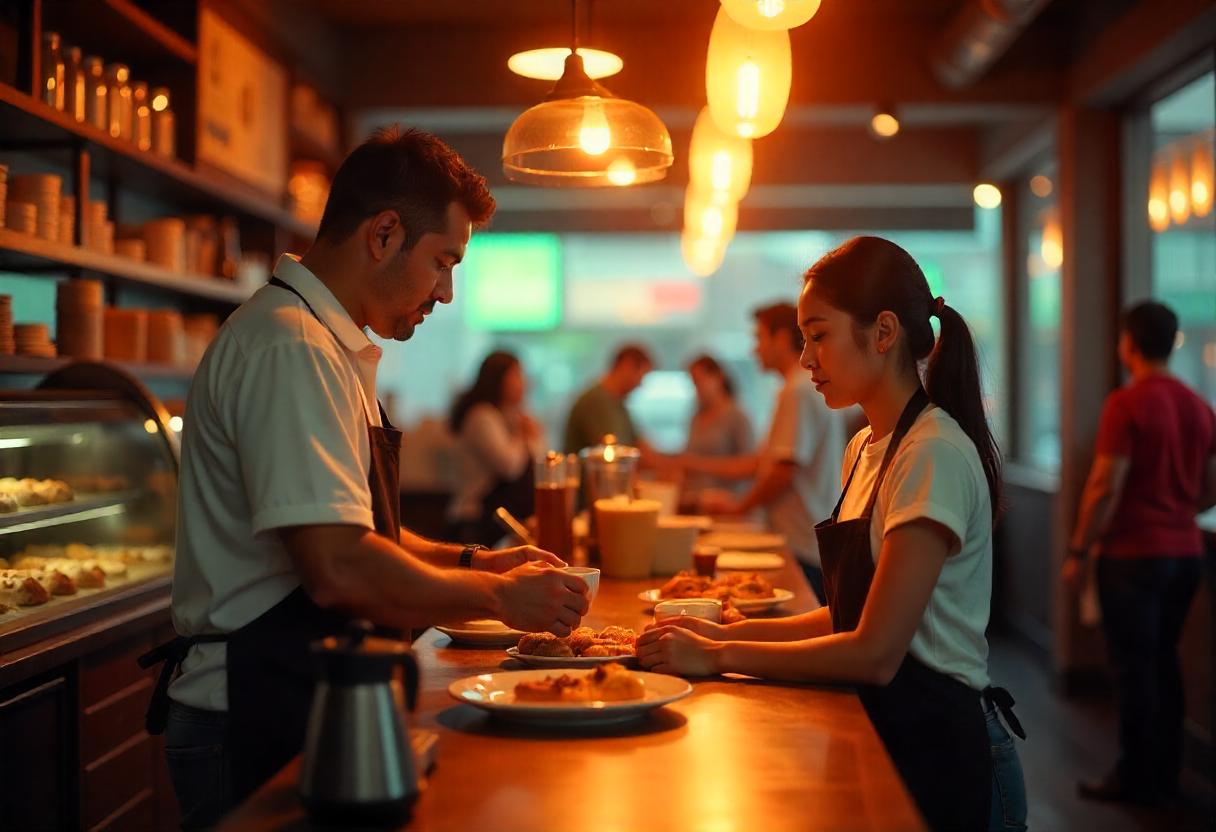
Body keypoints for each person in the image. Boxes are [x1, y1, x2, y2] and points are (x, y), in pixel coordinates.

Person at [143, 127, 589, 829]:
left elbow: (361, 529)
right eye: (443, 261)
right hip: (251, 711)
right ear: (383, 234)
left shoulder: (324, 342)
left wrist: (476, 559)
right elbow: (339, 567)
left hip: (294, 692)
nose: (445, 292)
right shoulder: (291, 347)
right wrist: (500, 596)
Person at [638, 237, 1027, 832]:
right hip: (890, 729)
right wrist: (732, 628)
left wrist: (718, 654)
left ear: (884, 332)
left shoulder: (933, 453)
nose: (805, 358)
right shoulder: (865, 448)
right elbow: (848, 615)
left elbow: (873, 652)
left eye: (818, 335)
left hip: (941, 750)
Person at [1066, 300, 1216, 806]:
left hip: (1132, 556)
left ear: (1129, 344)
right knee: (1166, 662)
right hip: (1186, 554)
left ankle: (1134, 778)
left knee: (1132, 669)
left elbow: (1106, 484)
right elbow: (1211, 486)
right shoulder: (1199, 405)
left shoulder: (1127, 404)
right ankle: (1168, 773)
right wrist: (1179, 508)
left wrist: (1080, 548)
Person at [674, 303, 847, 602]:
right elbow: (765, 463)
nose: (754, 350)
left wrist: (741, 507)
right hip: (805, 536)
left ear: (780, 339)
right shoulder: (796, 388)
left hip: (802, 539)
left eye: (759, 339)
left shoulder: (797, 390)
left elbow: (783, 470)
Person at [446, 351, 544, 546]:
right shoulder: (481, 416)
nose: (523, 383)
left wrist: (531, 436)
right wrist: (523, 435)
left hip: (500, 521)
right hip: (475, 521)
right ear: (499, 379)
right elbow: (509, 467)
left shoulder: (508, 416)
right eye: (516, 375)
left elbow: (538, 462)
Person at [681, 354, 753, 504]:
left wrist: (698, 464)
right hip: (698, 502)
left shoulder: (736, 416)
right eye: (694, 383)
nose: (697, 389)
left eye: (700, 381)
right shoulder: (697, 416)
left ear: (718, 377)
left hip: (728, 504)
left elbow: (749, 466)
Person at [563, 343, 653, 453]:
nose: (640, 384)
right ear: (626, 366)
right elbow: (611, 453)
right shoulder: (596, 401)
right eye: (641, 376)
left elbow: (639, 444)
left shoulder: (619, 404)